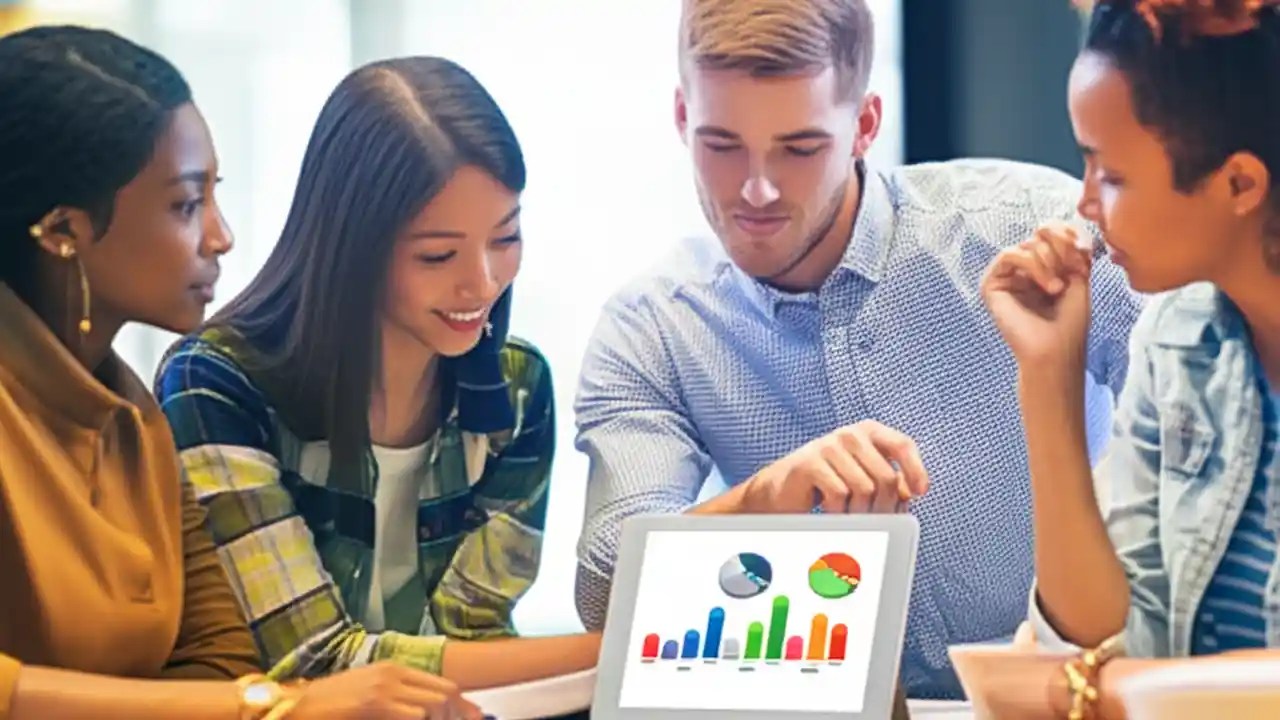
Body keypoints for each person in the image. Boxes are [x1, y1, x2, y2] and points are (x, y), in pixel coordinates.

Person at [573, 0, 1145, 698]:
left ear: (865, 125)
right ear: (681, 116)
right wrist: (763, 500)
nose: (757, 189)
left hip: (1075, 697)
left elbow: (1206, 412)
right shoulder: (655, 328)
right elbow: (604, 592)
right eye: (721, 145)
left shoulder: (1029, 229)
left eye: (800, 148)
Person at [0, 25, 480, 720]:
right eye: (186, 204)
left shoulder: (132, 418)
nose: (220, 237)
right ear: (63, 231)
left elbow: (223, 659)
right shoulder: (193, 383)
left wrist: (258, 702)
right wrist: (275, 706)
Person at [154, 55, 600, 691]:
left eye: (505, 238)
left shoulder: (519, 387)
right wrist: (617, 655)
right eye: (437, 255)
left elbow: (474, 628)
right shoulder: (215, 385)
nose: (482, 283)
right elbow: (312, 659)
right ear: (353, 244)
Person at [982, 0, 1280, 716]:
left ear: (1240, 184)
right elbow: (1103, 643)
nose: (1085, 204)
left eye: (1110, 174)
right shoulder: (1176, 339)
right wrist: (1049, 379)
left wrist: (1121, 686)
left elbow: (1103, 681)